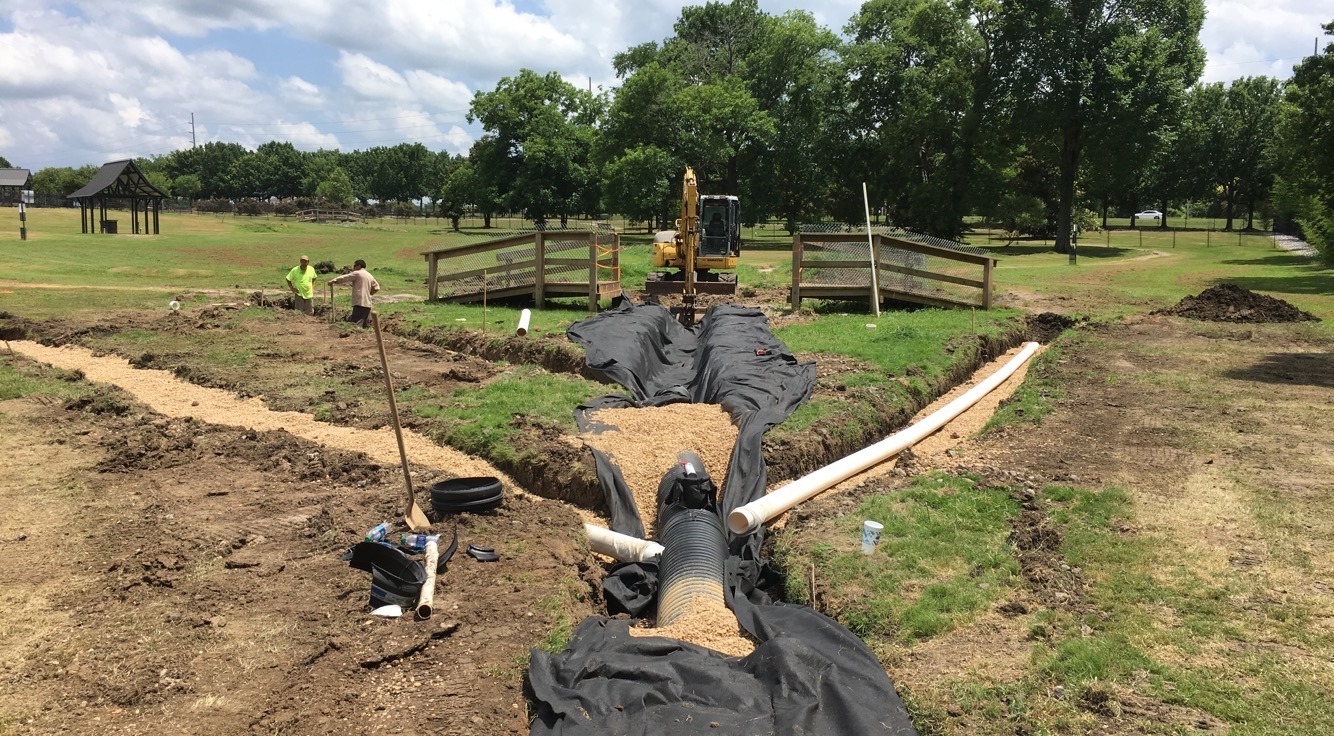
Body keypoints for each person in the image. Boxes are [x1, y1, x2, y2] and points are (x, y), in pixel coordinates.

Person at [328, 259, 380, 328]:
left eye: (355, 265)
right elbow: (377, 287)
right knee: (365, 322)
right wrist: (369, 294)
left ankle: (356, 333)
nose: (354, 267)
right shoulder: (369, 275)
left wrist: (334, 280)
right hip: (367, 303)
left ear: (359, 266)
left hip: (359, 301)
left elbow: (346, 277)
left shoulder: (357, 273)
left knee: (356, 323)